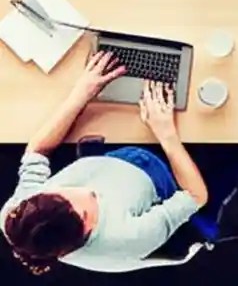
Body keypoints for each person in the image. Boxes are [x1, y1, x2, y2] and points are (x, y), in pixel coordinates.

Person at [1, 54, 208, 274]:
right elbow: (196, 196)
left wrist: (80, 96)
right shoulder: (128, 239)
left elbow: (37, 151)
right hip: (156, 176)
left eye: (63, 193)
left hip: (110, 161)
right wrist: (166, 133)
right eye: (85, 210)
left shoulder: (18, 215)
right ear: (85, 229)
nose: (88, 192)